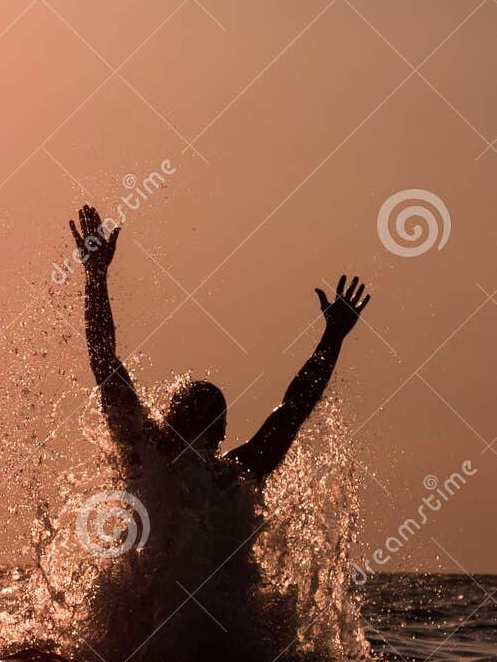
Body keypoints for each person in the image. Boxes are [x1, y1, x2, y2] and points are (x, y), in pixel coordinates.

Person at [69, 202, 370, 479]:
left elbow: (104, 359)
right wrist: (333, 337)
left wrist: (96, 277)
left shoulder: (143, 455)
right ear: (219, 434)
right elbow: (294, 407)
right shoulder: (233, 479)